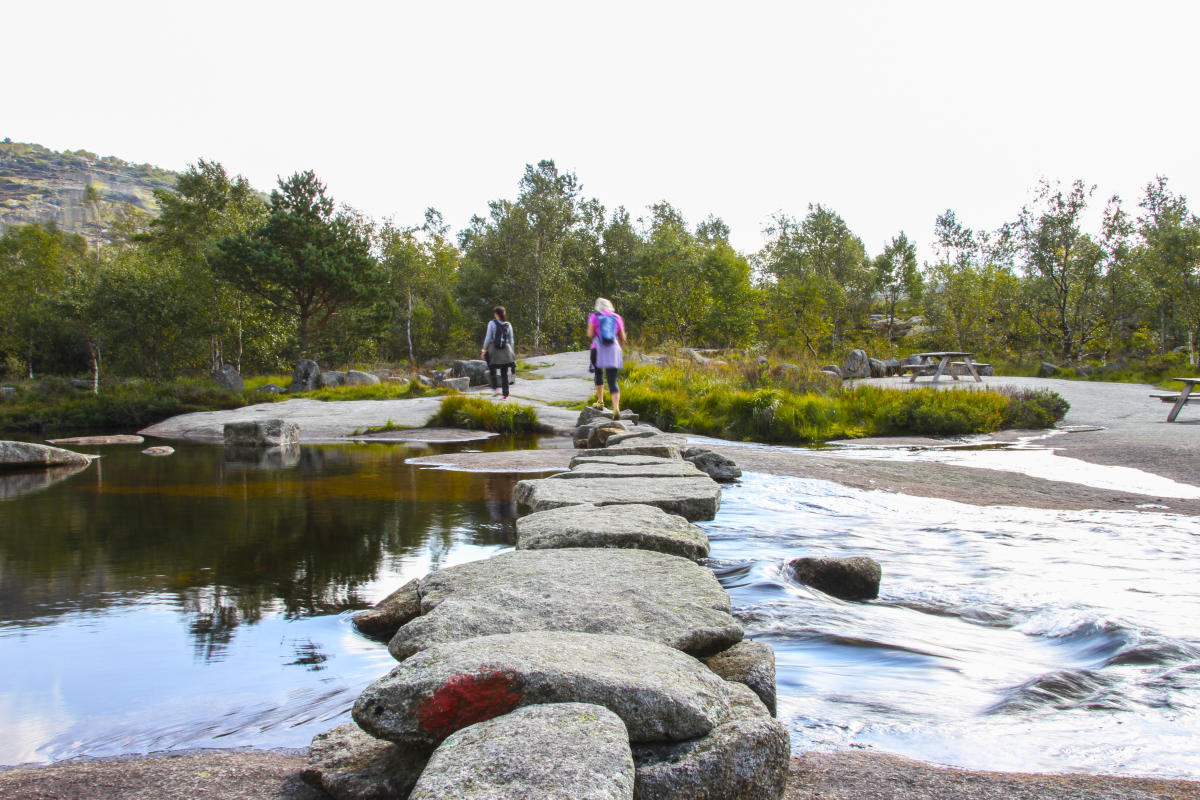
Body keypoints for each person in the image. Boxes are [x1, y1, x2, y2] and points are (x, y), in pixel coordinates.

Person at [587, 297, 626, 413]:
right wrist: (618, 347)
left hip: (597, 348)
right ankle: (616, 409)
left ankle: (600, 401)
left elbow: (589, 334)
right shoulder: (617, 317)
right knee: (612, 380)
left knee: (598, 373)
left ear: (598, 307)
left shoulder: (594, 316)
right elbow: (623, 337)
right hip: (613, 349)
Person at [480, 306, 516, 400]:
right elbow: (511, 340)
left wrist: (483, 350)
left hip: (494, 349)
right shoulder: (508, 324)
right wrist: (511, 354)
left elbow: (488, 337)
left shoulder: (492, 323)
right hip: (506, 350)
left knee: (492, 368)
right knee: (504, 373)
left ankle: (495, 389)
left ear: (496, 314)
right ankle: (505, 395)